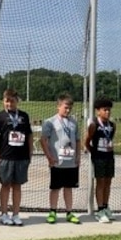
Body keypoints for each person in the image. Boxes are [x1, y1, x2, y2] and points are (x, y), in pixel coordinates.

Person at [0, 89, 32, 226]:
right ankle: (4, 214)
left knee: (17, 186)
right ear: (3, 101)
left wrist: (30, 154)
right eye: (6, 101)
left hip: (21, 157)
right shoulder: (0, 116)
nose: (9, 104)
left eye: (12, 101)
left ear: (17, 101)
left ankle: (16, 214)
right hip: (5, 157)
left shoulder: (24, 116)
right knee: (5, 185)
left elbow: (29, 135)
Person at [40, 93, 82, 224]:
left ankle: (69, 212)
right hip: (57, 162)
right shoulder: (50, 122)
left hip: (71, 162)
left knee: (69, 188)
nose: (68, 110)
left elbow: (78, 140)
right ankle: (53, 211)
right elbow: (43, 140)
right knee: (55, 188)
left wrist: (78, 156)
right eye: (65, 107)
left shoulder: (74, 122)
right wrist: (49, 157)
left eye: (70, 108)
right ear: (58, 106)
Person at [85, 97, 116, 223]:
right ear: (98, 111)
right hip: (99, 157)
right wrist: (94, 152)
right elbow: (87, 141)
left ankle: (106, 206)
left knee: (108, 182)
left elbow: (110, 139)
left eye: (109, 110)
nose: (107, 112)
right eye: (105, 110)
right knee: (101, 182)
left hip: (109, 156)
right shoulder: (94, 125)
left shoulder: (112, 125)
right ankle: (100, 210)